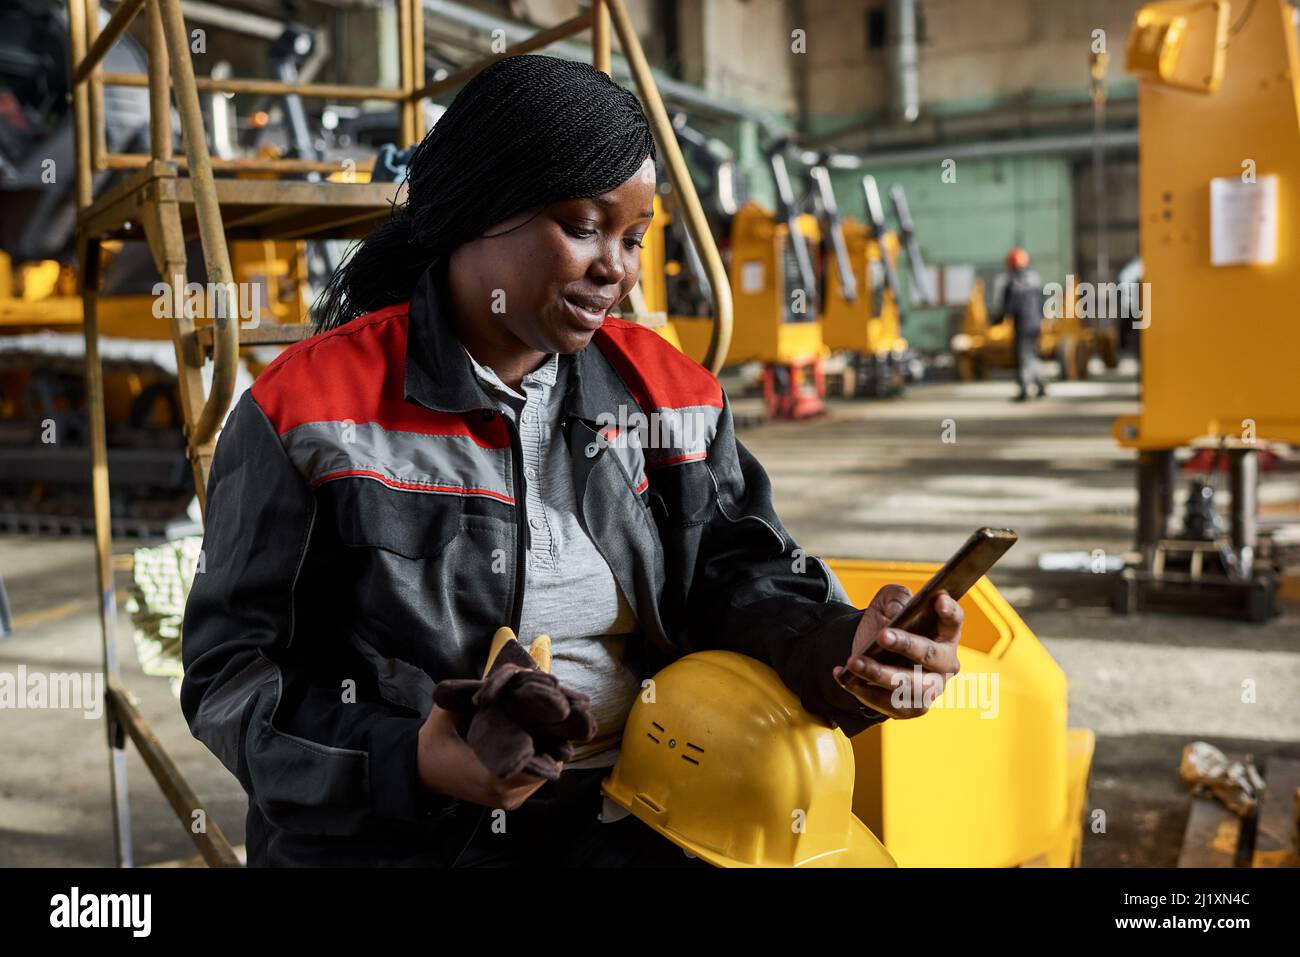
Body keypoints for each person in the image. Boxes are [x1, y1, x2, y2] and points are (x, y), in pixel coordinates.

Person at [180, 54, 964, 867]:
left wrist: (846, 648)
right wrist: (410, 757)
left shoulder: (669, 396)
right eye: (583, 227)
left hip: (624, 811)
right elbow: (232, 675)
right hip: (393, 838)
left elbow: (739, 574)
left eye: (633, 238)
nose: (616, 269)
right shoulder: (307, 409)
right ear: (481, 207)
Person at [999, 247, 1046, 400]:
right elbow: (1042, 303)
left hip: (1022, 325)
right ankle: (1041, 384)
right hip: (1036, 324)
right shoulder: (1035, 280)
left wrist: (997, 321)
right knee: (1032, 355)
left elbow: (1008, 308)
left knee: (1023, 357)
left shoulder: (1013, 283)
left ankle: (1025, 388)